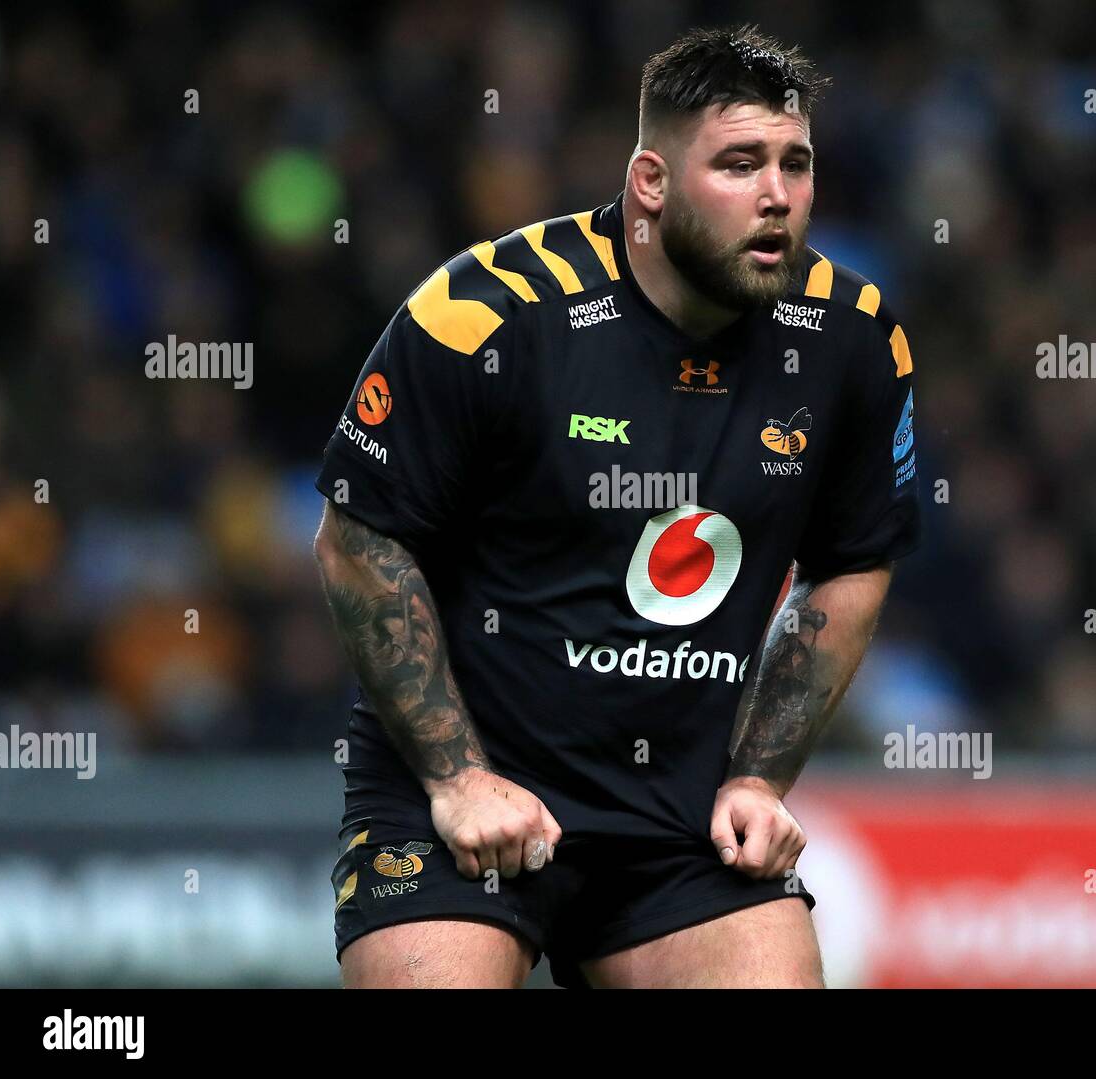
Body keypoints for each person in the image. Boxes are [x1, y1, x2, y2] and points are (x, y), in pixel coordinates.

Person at [312, 23, 919, 989]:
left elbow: (853, 561)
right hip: (463, 798)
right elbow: (358, 542)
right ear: (650, 181)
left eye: (795, 164)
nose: (776, 196)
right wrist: (457, 778)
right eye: (738, 163)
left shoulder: (852, 339)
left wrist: (759, 776)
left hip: (677, 823)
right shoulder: (484, 316)